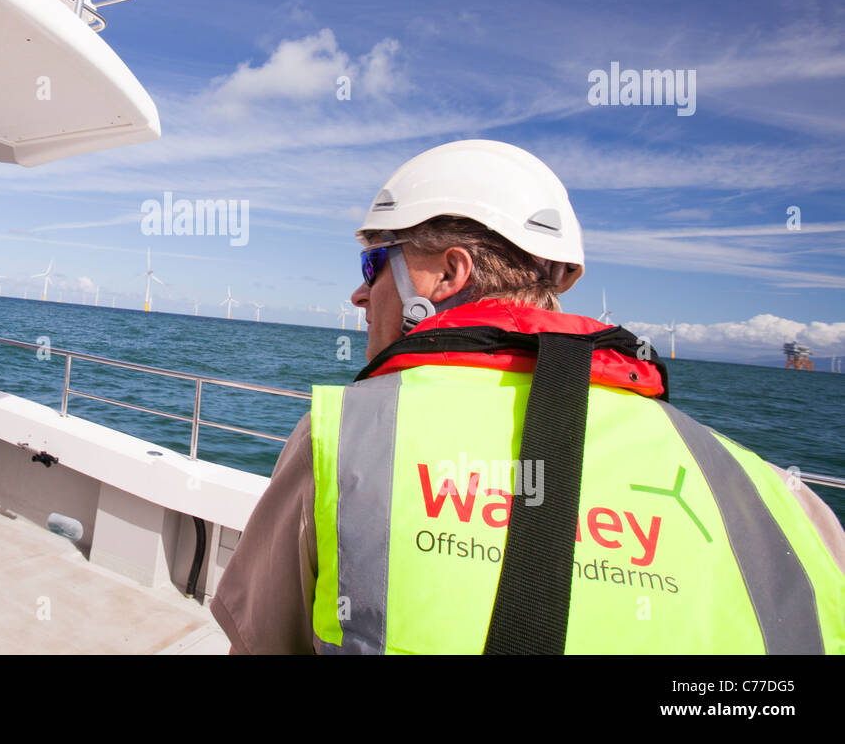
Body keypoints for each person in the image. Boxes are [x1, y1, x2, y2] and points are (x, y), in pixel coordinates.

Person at [211, 139, 845, 654]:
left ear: (449, 275)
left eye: (372, 267)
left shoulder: (348, 436)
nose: (358, 296)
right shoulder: (782, 500)